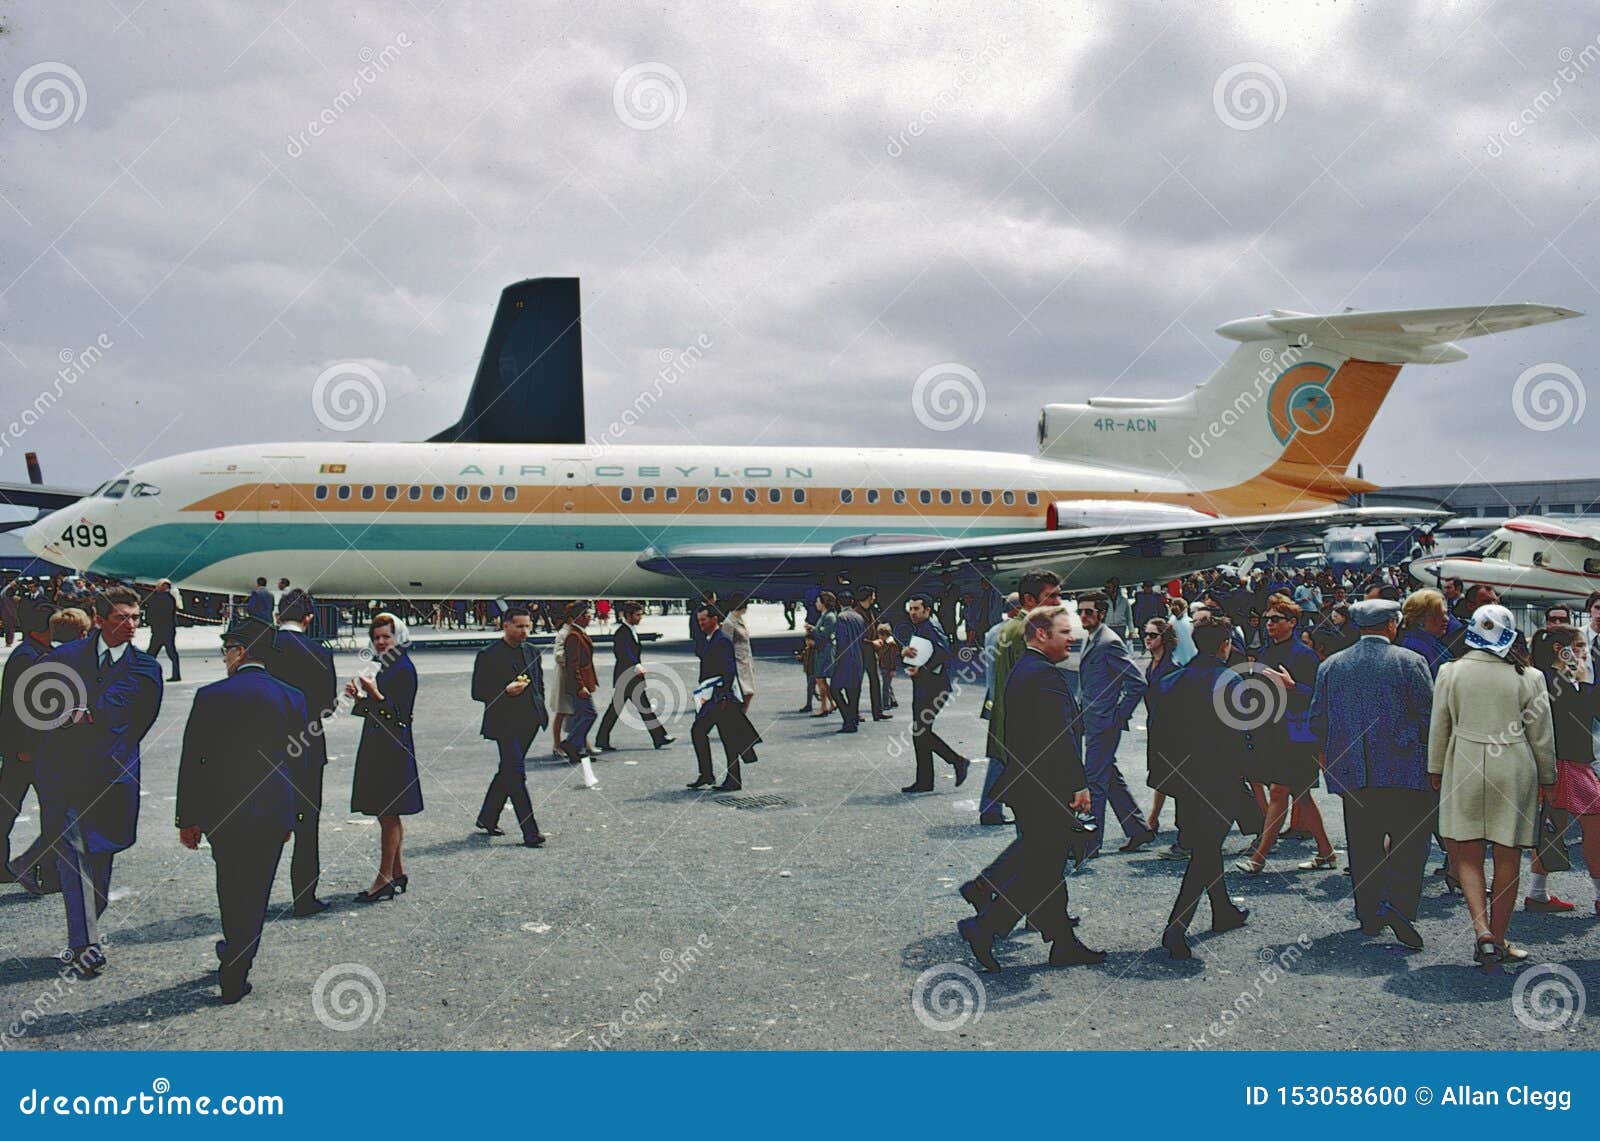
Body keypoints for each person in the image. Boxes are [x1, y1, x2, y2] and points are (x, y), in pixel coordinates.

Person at [957, 605, 1103, 971]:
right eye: (1064, 632)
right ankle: (984, 927)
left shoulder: (1025, 670)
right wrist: (1079, 785)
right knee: (1043, 868)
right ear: (1041, 634)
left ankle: (1062, 944)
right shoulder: (1043, 676)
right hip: (1045, 787)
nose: (1072, 638)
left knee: (1046, 868)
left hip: (1029, 785)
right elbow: (1060, 739)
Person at [30, 587, 164, 977]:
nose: (131, 625)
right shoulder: (65, 658)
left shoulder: (146, 668)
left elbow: (143, 721)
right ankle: (85, 945)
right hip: (66, 776)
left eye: (136, 618)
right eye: (122, 617)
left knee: (101, 860)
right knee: (75, 859)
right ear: (100, 619)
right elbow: (40, 708)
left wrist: (113, 744)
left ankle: (83, 925)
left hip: (113, 777)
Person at [176, 616, 309, 1003]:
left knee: (230, 885)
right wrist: (294, 815)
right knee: (257, 890)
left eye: (226, 650)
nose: (224, 658)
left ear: (241, 651)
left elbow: (193, 761)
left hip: (222, 810)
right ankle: (239, 958)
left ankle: (234, 952)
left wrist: (187, 818)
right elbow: (299, 764)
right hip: (271, 810)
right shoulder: (292, 697)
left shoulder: (210, 696)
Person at [1430, 604, 1557, 965]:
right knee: (1508, 854)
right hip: (1514, 765)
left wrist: (1435, 769)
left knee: (1467, 853)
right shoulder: (1530, 676)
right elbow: (1542, 736)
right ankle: (1499, 938)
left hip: (1464, 762)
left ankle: (1482, 931)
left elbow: (1439, 725)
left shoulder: (1450, 671)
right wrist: (1548, 778)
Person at [1310, 598, 1434, 949]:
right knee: (1410, 842)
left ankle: (1368, 914)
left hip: (1354, 770)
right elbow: (1428, 716)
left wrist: (1330, 758)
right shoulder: (1410, 661)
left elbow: (1317, 719)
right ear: (1392, 624)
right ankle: (1399, 905)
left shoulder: (1332, 665)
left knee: (1363, 844)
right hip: (1404, 768)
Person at [1149, 614, 1253, 959]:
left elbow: (1158, 734)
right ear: (1225, 645)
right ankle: (1176, 928)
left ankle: (1222, 909)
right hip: (1220, 778)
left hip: (1184, 779)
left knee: (1207, 846)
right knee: (1207, 850)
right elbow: (1241, 735)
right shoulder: (1230, 680)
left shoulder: (1171, 680)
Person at [1235, 596, 1337, 874]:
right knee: (1301, 795)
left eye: (1276, 619)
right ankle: (1326, 851)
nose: (1269, 624)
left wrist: (1293, 687)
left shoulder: (1304, 655)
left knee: (1279, 791)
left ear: (1292, 622)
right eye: (1267, 619)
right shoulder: (1266, 652)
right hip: (1273, 733)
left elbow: (1318, 697)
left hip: (1297, 736)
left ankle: (1259, 858)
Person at [260, 588, 337, 916]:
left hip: (265, 747)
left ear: (278, 616)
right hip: (307, 744)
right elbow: (328, 705)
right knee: (307, 825)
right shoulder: (320, 653)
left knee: (263, 823)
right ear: (309, 619)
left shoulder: (264, 647)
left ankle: (254, 897)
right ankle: (304, 896)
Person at [347, 613, 422, 901]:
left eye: (386, 636)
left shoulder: (403, 668)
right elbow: (383, 710)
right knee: (388, 812)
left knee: (388, 813)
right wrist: (361, 698)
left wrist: (374, 695)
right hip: (382, 744)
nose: (380, 642)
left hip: (392, 747)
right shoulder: (390, 664)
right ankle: (397, 872)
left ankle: (384, 878)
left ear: (397, 637)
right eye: (376, 637)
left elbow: (399, 715)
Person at [1526, 628, 1600, 913]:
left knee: (1551, 824)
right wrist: (1585, 680)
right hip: (1569, 761)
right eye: (1578, 646)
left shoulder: (1547, 677)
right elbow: (1585, 712)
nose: (1584, 651)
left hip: (1556, 761)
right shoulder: (1556, 680)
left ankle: (1537, 893)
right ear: (1561, 649)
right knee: (1594, 823)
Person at [1075, 590, 1151, 853]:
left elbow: (1137, 682)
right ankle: (1138, 829)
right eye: (1080, 612)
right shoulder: (1093, 638)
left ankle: (1090, 843)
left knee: (1094, 781)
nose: (1083, 616)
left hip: (1104, 723)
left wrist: (1118, 715)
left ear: (1102, 613)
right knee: (1109, 777)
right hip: (1094, 721)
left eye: (1089, 612)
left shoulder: (1109, 642)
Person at [982, 573, 1060, 826]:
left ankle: (991, 808)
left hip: (996, 698)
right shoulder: (1025, 632)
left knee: (1000, 757)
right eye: (1051, 596)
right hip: (1015, 708)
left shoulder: (996, 631)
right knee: (1009, 759)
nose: (1058, 602)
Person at [472, 606, 549, 847]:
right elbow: (477, 691)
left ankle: (487, 817)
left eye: (528, 626)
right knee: (516, 774)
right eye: (519, 626)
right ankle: (530, 832)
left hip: (530, 721)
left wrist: (540, 707)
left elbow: (539, 684)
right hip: (504, 723)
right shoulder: (488, 654)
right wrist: (505, 691)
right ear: (505, 626)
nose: (525, 631)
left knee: (508, 770)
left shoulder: (532, 651)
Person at [0, 597, 55, 884]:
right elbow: (19, 707)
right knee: (8, 808)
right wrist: (22, 747)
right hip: (26, 749)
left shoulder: (35, 652)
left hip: (30, 748)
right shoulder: (29, 657)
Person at [900, 593, 970, 794]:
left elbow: (943, 652)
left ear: (927, 610)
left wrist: (922, 669)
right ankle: (925, 780)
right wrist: (906, 654)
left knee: (920, 732)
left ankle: (957, 761)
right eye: (911, 609)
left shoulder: (930, 627)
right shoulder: (923, 626)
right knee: (920, 732)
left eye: (917, 609)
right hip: (925, 686)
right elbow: (924, 651)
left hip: (933, 688)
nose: (912, 612)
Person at [595, 601, 673, 751]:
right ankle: (659, 737)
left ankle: (659, 737)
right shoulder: (621, 632)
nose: (640, 617)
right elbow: (622, 653)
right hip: (627, 677)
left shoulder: (630, 630)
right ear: (628, 615)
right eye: (637, 615)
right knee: (624, 709)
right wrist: (636, 665)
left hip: (631, 677)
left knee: (631, 708)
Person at [687, 603, 746, 792]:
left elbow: (729, 669)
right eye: (699, 621)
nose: (701, 623)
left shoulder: (721, 640)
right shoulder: (711, 639)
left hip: (719, 697)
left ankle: (710, 774)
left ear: (714, 619)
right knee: (726, 737)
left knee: (701, 732)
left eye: (703, 620)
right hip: (714, 695)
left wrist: (723, 694)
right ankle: (728, 778)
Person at [1139, 617, 1185, 856]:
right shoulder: (1152, 665)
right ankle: (1153, 819)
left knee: (1173, 780)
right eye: (1145, 634)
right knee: (1160, 775)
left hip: (1170, 733)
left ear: (1164, 639)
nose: (1147, 638)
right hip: (1155, 729)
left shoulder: (1173, 668)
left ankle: (1179, 830)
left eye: (1152, 635)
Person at [560, 602, 599, 764]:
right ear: (580, 617)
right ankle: (570, 743)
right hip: (579, 684)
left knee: (580, 715)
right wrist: (580, 685)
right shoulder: (574, 636)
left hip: (584, 681)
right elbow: (573, 664)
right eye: (588, 615)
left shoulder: (579, 633)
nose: (591, 618)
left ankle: (578, 750)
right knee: (590, 714)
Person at [830, 592, 867, 733]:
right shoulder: (859, 617)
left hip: (845, 658)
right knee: (854, 692)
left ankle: (848, 719)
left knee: (835, 689)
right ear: (852, 602)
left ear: (839, 603)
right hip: (858, 657)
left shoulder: (841, 618)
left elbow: (841, 640)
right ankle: (853, 718)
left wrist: (836, 660)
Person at [1396, 588, 1451, 678]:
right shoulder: (1415, 648)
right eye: (1438, 614)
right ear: (1419, 618)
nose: (1446, 619)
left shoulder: (1430, 642)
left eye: (1446, 613)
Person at [854, 588, 890, 720]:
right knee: (857, 683)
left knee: (874, 680)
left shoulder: (870, 611)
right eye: (873, 595)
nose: (874, 598)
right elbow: (856, 636)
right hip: (860, 650)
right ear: (869, 597)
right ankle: (854, 713)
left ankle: (877, 712)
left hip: (870, 651)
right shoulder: (856, 613)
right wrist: (872, 642)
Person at [142, 579, 181, 682]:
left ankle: (147, 674)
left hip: (161, 630)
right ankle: (176, 674)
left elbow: (152, 611)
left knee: (152, 653)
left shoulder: (160, 598)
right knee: (170, 653)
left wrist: (149, 621)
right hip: (167, 629)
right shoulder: (169, 598)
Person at [813, 591, 838, 717]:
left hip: (825, 650)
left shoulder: (829, 617)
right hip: (822, 649)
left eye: (818, 601)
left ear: (824, 603)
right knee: (821, 678)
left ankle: (824, 706)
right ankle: (832, 703)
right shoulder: (825, 615)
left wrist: (813, 631)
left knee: (820, 678)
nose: (816, 604)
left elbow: (824, 635)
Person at [1168, 595, 1197, 665]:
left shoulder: (1170, 622)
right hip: (1192, 654)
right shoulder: (1190, 622)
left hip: (1176, 657)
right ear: (1186, 608)